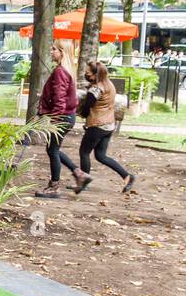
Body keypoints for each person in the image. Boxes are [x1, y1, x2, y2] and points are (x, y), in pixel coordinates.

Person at [74, 61, 135, 194]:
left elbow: (86, 108)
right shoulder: (109, 84)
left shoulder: (95, 89)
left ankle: (83, 180)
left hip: (97, 125)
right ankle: (127, 176)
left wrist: (77, 110)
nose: (86, 74)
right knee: (101, 156)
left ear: (95, 74)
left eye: (88, 73)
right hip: (109, 125)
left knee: (84, 152)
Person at [35, 43, 79, 198]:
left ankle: (54, 186)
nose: (51, 51)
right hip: (67, 116)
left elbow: (60, 98)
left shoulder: (60, 71)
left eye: (54, 49)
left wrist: (55, 118)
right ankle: (79, 174)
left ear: (62, 52)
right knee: (53, 149)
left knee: (52, 150)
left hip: (62, 117)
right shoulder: (66, 70)